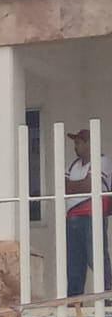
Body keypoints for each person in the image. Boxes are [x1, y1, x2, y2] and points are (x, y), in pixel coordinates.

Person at [64, 126, 111, 297]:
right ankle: (74, 302)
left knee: (96, 259)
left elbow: (90, 185)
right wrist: (80, 185)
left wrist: (75, 186)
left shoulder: (102, 160)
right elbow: (64, 187)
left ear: (89, 144)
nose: (75, 146)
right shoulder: (73, 164)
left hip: (92, 215)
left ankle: (107, 298)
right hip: (72, 218)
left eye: (78, 143)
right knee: (74, 263)